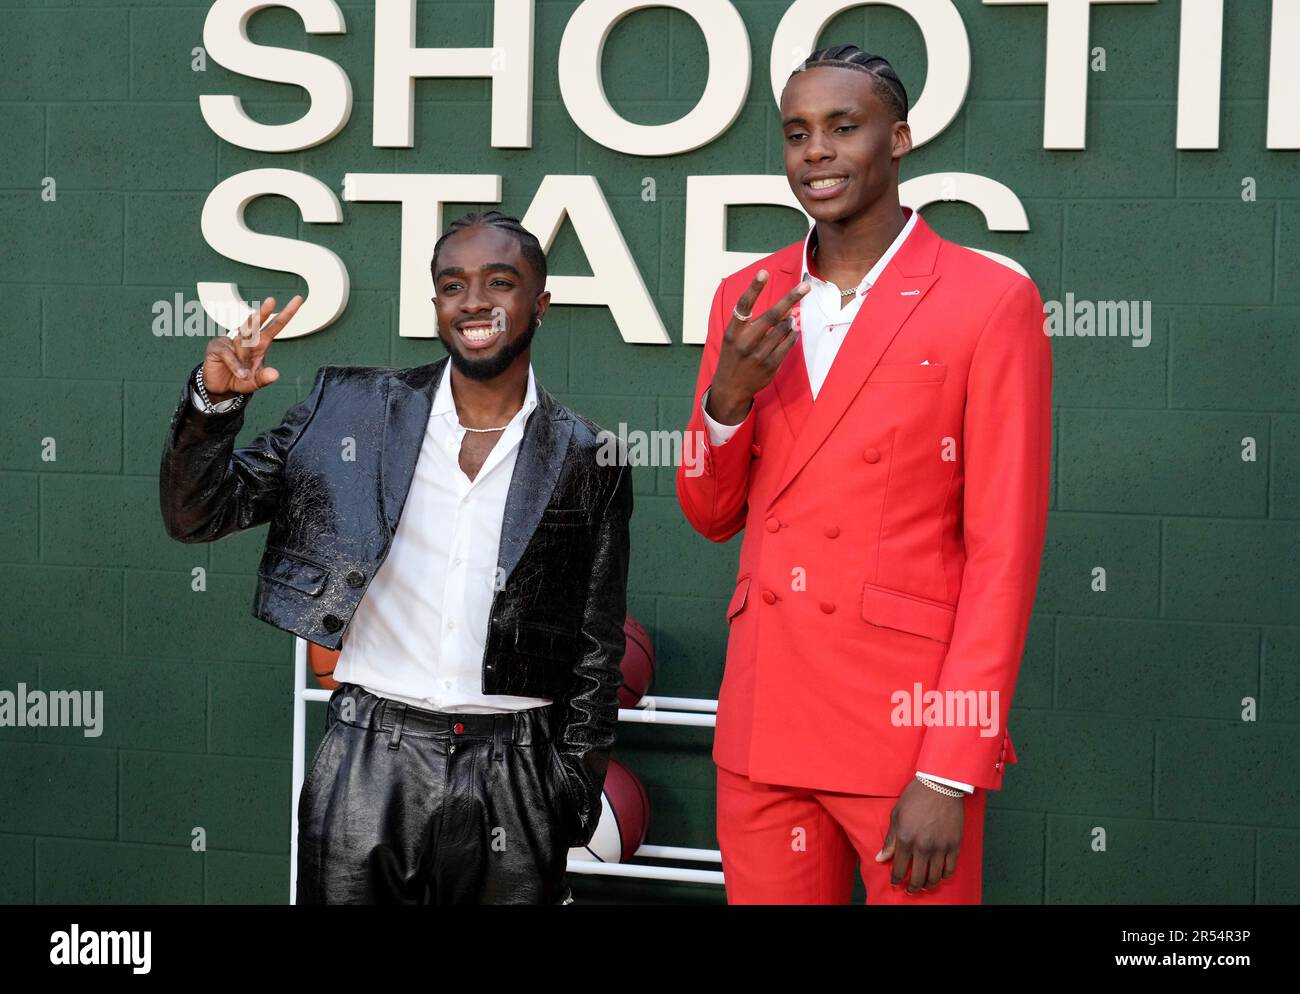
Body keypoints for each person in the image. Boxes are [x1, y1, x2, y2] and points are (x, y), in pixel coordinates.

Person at [159, 211, 633, 905]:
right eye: (452, 284)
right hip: (367, 759)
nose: (473, 300)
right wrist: (213, 407)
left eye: (499, 282)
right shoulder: (348, 410)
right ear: (436, 303)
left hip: (515, 770)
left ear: (540, 304)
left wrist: (571, 786)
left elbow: (599, 640)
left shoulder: (588, 455)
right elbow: (197, 514)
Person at [676, 45, 1052, 904]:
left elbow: (1004, 555)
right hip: (764, 723)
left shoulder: (989, 298)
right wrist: (726, 401)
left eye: (845, 127)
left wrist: (954, 770)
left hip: (906, 735)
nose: (817, 152)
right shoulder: (748, 288)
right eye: (798, 132)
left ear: (900, 138)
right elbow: (707, 512)